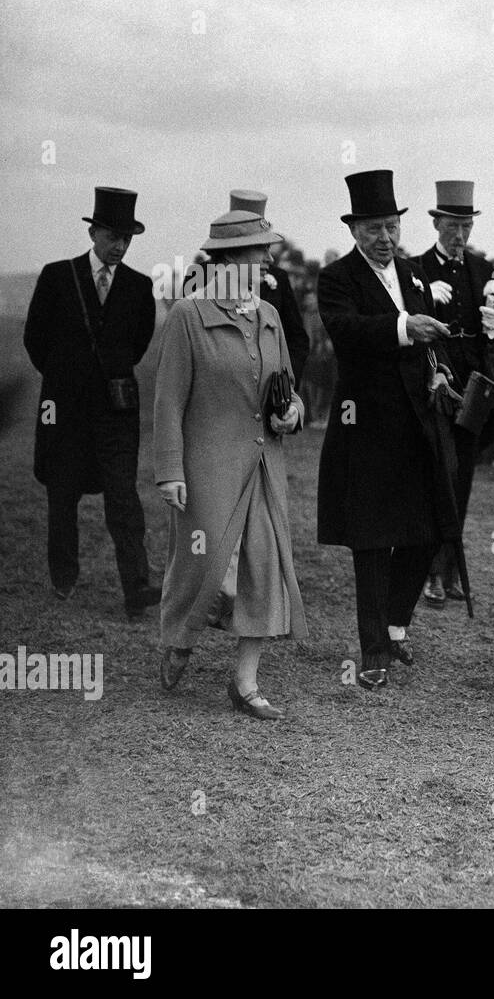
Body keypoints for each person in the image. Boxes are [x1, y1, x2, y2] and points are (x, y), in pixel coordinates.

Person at [153, 209, 307, 719]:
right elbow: (169, 401)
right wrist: (170, 470)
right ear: (228, 258)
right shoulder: (187, 317)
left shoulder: (269, 315)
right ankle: (179, 638)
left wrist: (292, 412)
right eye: (258, 250)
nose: (268, 258)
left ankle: (245, 683)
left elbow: (286, 387)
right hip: (206, 466)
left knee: (263, 565)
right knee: (204, 566)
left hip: (264, 462)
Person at [316, 170, 460, 691]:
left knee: (427, 529)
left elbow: (428, 340)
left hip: (418, 425)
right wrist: (405, 328)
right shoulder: (337, 279)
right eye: (373, 228)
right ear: (355, 231)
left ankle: (396, 623)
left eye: (391, 226)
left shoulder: (414, 275)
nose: (385, 237)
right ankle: (373, 649)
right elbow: (346, 333)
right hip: (367, 425)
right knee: (373, 542)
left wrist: (439, 368)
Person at [23, 187, 160, 619]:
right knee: (62, 496)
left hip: (117, 412)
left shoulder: (139, 287)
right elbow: (35, 339)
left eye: (127, 238)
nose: (119, 246)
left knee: (123, 497)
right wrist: (67, 379)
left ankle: (137, 587)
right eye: (112, 236)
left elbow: (137, 345)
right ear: (95, 233)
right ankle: (63, 575)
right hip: (63, 410)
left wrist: (106, 377)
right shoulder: (57, 276)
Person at [413, 181, 494, 608]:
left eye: (466, 225)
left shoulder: (483, 269)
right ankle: (430, 570)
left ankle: (449, 570)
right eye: (452, 225)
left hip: (473, 386)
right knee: (437, 478)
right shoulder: (414, 270)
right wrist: (423, 300)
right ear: (436, 223)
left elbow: (491, 335)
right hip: (436, 381)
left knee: (462, 479)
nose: (460, 234)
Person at [229, 191, 310, 385]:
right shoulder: (202, 276)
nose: (268, 256)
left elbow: (297, 338)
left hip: (268, 390)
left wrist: (287, 384)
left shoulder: (278, 277)